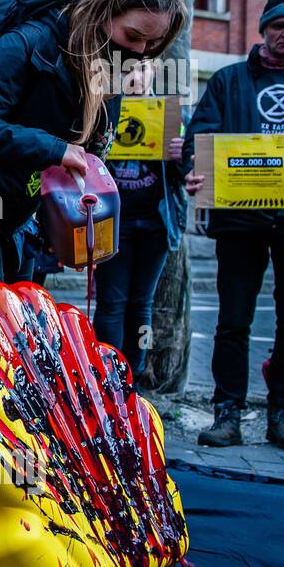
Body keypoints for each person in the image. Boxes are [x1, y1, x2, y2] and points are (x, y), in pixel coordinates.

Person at [184, 0, 284, 452]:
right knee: (233, 321)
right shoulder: (230, 81)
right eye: (279, 26)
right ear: (263, 31)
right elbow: (201, 135)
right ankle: (227, 412)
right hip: (240, 220)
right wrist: (194, 169)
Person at [0, 0, 188, 283]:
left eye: (153, 44)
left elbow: (90, 158)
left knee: (22, 331)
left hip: (29, 227)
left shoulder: (110, 69)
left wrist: (75, 229)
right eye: (132, 36)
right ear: (106, 11)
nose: (139, 51)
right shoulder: (24, 43)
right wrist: (55, 149)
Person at [93, 61, 188, 380]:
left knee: (140, 303)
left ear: (155, 73)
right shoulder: (100, 113)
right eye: (126, 71)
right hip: (112, 224)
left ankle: (133, 375)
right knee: (112, 302)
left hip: (155, 224)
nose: (134, 77)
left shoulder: (173, 117)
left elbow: (191, 175)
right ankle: (106, 375)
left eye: (142, 70)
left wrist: (182, 157)